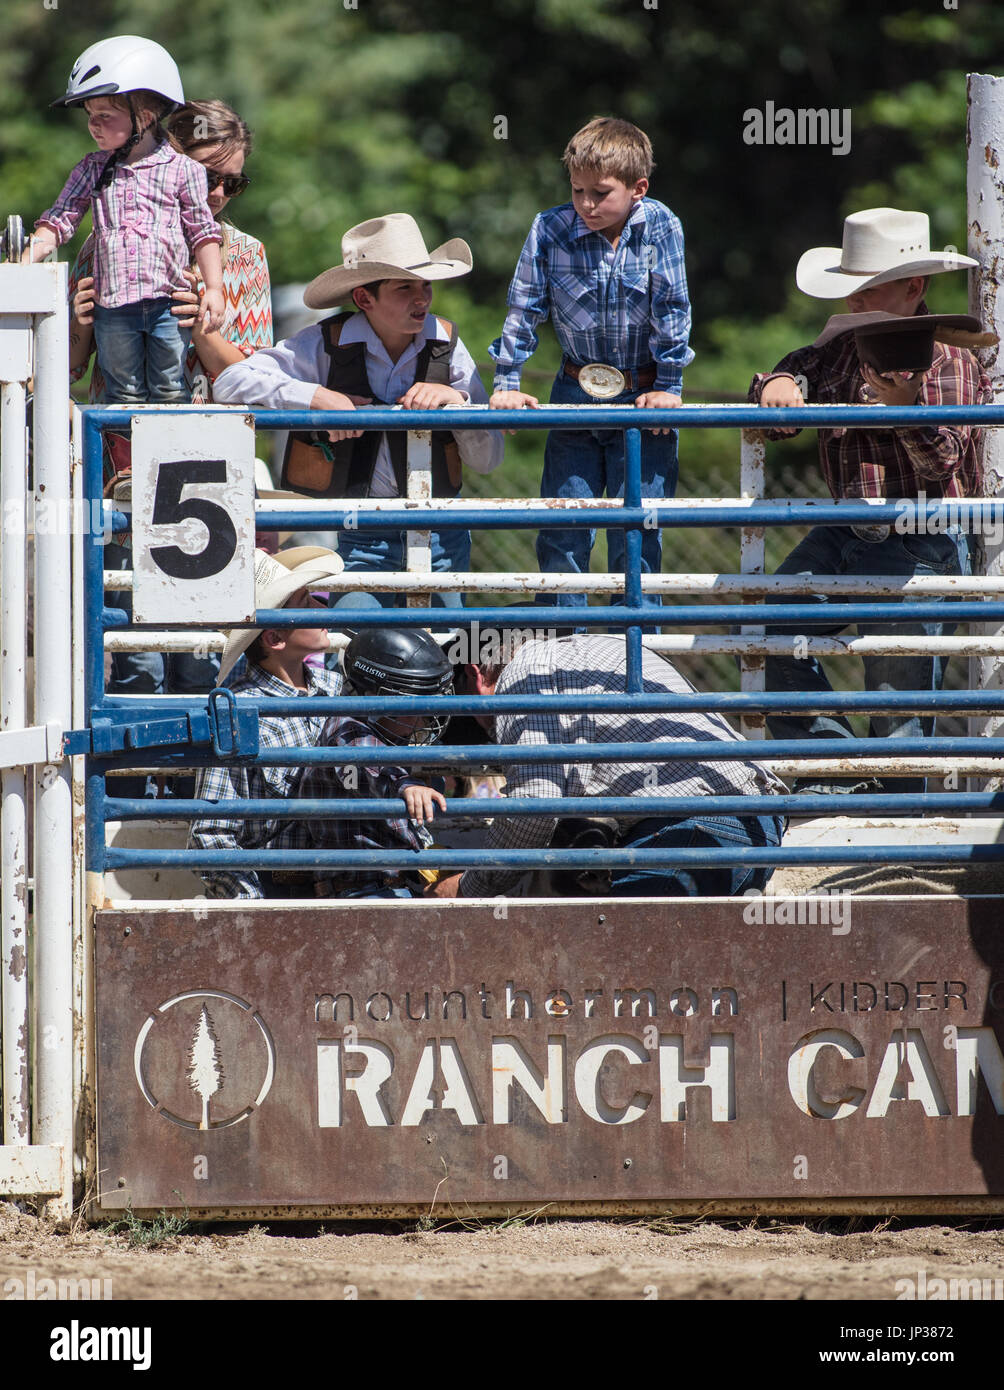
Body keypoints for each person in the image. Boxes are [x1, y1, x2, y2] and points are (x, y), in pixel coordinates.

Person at [748, 207, 990, 794]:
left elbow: (944, 462)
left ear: (914, 287)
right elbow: (785, 385)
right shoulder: (834, 353)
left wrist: (908, 412)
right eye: (851, 290)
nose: (854, 302)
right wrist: (774, 386)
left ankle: (892, 813)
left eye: (868, 289)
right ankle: (837, 770)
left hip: (923, 532)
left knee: (896, 694)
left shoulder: (951, 360)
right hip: (848, 528)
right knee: (770, 625)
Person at [69, 98, 274, 752]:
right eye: (208, 174)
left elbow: (253, 379)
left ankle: (197, 809)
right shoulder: (105, 237)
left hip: (207, 473)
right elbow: (73, 372)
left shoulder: (242, 254)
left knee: (204, 655)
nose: (217, 193)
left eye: (232, 182)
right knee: (134, 653)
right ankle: (136, 800)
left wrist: (200, 326)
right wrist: (76, 322)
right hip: (122, 474)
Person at [213, 213, 504, 607]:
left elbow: (487, 460)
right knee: (355, 642)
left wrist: (458, 404)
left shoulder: (447, 345)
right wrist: (316, 396)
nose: (421, 299)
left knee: (441, 651)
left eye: (425, 285)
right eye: (404, 288)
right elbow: (230, 382)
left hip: (441, 533)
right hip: (361, 534)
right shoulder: (325, 343)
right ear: (364, 298)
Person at [488, 117, 693, 610]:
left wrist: (670, 383)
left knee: (637, 536)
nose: (586, 204)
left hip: (645, 396)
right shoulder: (550, 228)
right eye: (578, 190)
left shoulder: (662, 227)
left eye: (601, 193)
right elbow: (525, 306)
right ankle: (563, 657)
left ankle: (639, 662)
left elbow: (672, 306)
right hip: (575, 390)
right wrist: (507, 380)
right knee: (564, 527)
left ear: (638, 188)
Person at [430, 631, 786, 899]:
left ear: (474, 674)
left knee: (610, 966)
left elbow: (535, 807)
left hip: (695, 827)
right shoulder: (594, 651)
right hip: (752, 821)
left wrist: (466, 888)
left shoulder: (524, 676)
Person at [31, 35, 224, 404]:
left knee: (169, 387)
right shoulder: (92, 168)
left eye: (104, 115)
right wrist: (25, 257)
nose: (94, 125)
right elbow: (60, 219)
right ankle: (126, 461)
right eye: (90, 116)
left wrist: (213, 289)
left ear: (145, 118)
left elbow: (203, 232)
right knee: (124, 392)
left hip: (167, 303)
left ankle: (171, 457)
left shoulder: (183, 170)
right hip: (113, 306)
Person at [189, 547, 345, 900]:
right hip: (276, 889)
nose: (321, 610)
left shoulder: (338, 689)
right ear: (274, 638)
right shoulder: (239, 712)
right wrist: (254, 906)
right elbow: (211, 833)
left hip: (342, 884)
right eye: (305, 603)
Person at [298, 628, 455, 898]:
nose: (424, 719)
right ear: (377, 699)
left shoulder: (389, 738)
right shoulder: (345, 728)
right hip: (359, 891)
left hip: (394, 884)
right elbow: (367, 760)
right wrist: (405, 783)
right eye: (413, 707)